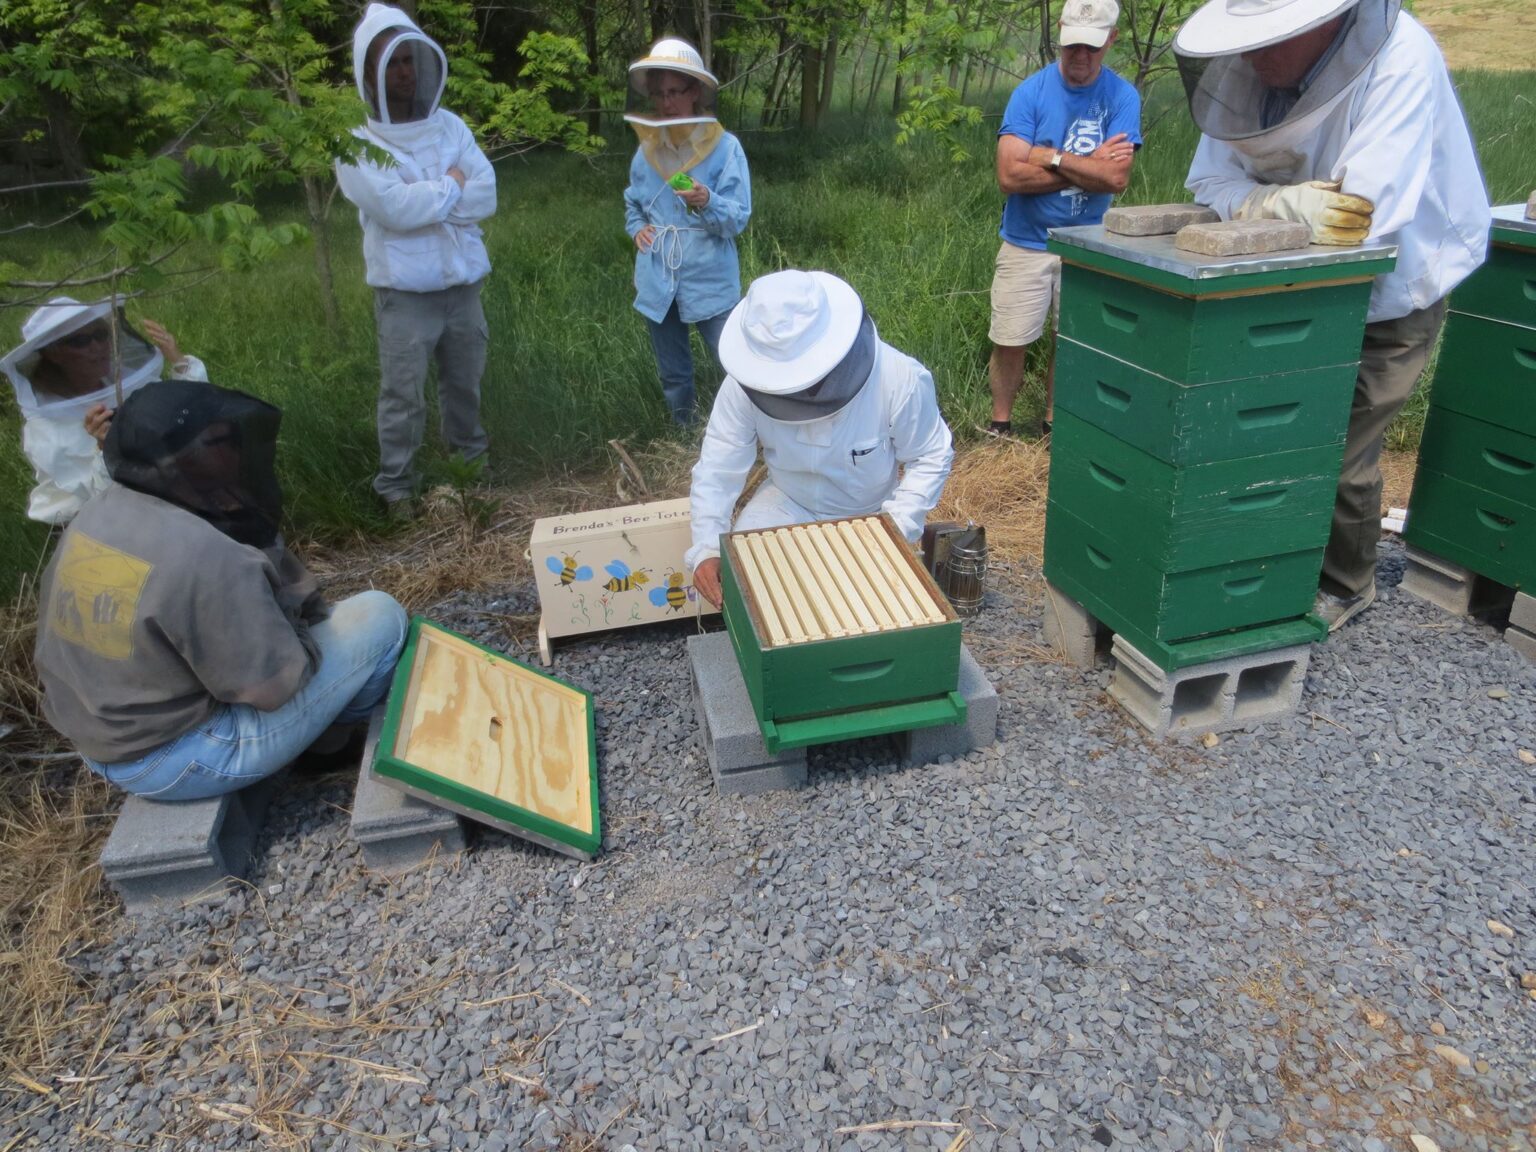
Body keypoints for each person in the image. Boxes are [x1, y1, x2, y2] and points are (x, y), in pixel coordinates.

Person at [1176, 0, 1488, 630]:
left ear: (1319, 25)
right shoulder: (1247, 75)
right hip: (1290, 290)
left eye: (1269, 41)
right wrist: (1280, 201)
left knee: (1341, 446)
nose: (1252, 57)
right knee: (1276, 435)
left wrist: (1262, 207)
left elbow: (1365, 215)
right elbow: (1210, 183)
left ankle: (1348, 583)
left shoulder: (1403, 59)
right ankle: (1271, 560)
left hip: (1395, 289)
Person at [34, 379, 408, 801]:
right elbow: (274, 687)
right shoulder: (209, 555)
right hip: (177, 759)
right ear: (178, 459)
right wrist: (294, 628)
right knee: (381, 615)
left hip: (99, 742)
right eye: (219, 440)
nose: (238, 449)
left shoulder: (100, 510)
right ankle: (328, 748)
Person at [686, 270, 955, 608]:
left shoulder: (898, 377)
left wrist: (898, 527)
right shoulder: (742, 386)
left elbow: (930, 454)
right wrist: (707, 546)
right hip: (786, 501)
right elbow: (718, 464)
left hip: (870, 515)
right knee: (751, 580)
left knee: (865, 608)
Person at [336, 2, 497, 520]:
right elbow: (396, 210)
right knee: (403, 398)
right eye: (392, 64)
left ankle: (471, 479)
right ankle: (397, 492)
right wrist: (451, 185)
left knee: (464, 388)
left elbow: (486, 195)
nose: (404, 73)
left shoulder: (449, 125)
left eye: (409, 60)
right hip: (405, 296)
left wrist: (432, 199)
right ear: (369, 73)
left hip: (462, 288)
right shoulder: (356, 143)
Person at [988, 0, 1141, 440]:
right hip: (1026, 241)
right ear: (1060, 33)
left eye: (1091, 47)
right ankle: (1001, 425)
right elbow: (1008, 175)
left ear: (1111, 39)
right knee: (1010, 338)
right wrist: (1084, 165)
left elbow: (1115, 177)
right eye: (1072, 45)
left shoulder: (1122, 97)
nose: (1080, 56)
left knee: (1071, 339)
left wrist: (1051, 155)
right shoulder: (1030, 93)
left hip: (1088, 242)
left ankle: (1055, 425)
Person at [623, 38, 752, 425]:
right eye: (659, 94)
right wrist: (637, 229)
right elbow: (633, 202)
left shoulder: (726, 149)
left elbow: (738, 218)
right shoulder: (647, 150)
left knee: (735, 361)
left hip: (709, 275)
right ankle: (685, 431)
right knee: (673, 371)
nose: (666, 103)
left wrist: (706, 199)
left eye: (675, 92)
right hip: (658, 273)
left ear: (695, 92)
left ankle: (752, 429)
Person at [1, 297, 207, 524]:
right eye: (80, 341)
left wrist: (179, 362)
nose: (97, 347)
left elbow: (187, 418)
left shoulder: (123, 380)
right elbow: (97, 500)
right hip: (96, 524)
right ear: (53, 353)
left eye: (101, 335)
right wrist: (103, 449)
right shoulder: (47, 430)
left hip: (157, 496)